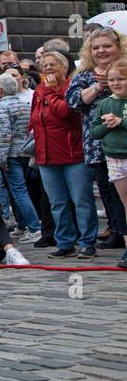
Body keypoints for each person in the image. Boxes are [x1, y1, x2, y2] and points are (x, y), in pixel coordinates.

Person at [30, 51, 98, 259]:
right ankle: (65, 242)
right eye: (45, 65)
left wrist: (51, 93)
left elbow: (67, 112)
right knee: (57, 202)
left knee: (81, 200)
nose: (48, 68)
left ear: (64, 67)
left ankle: (87, 242)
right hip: (46, 155)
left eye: (53, 64)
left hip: (72, 154)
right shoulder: (39, 90)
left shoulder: (71, 87)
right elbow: (34, 119)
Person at [66, 26, 127, 251]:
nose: (101, 51)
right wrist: (97, 86)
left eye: (107, 46)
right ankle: (116, 231)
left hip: (124, 141)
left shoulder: (125, 69)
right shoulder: (84, 74)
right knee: (108, 192)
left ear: (118, 47)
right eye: (96, 47)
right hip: (98, 145)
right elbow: (73, 102)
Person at [87, 59, 127, 270]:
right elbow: (94, 132)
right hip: (115, 158)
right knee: (124, 204)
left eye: (121, 79)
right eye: (112, 79)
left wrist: (121, 122)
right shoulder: (104, 103)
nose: (116, 83)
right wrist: (106, 124)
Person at [0, 72, 41, 240]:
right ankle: (21, 225)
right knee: (17, 191)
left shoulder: (2, 108)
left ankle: (34, 228)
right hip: (25, 152)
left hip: (11, 155)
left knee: (19, 191)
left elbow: (4, 135)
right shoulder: (24, 105)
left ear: (0, 90)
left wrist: (1, 159)